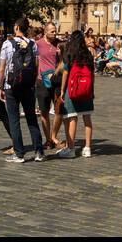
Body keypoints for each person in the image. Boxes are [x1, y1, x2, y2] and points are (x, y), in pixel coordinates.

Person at [0, 17, 45, 163]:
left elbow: (2, 68)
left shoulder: (7, 43)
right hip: (28, 85)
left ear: (17, 27)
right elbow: (37, 65)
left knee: (14, 120)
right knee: (32, 118)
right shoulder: (33, 44)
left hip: (11, 85)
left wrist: (0, 86)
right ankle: (39, 152)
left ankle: (19, 153)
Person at [58, 28, 97, 157]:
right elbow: (92, 74)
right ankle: (87, 148)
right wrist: (91, 89)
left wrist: (63, 90)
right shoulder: (88, 54)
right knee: (87, 118)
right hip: (86, 90)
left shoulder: (69, 53)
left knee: (72, 118)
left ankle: (71, 149)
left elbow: (65, 72)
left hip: (73, 90)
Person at [34, 21, 62, 147]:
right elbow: (35, 61)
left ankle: (54, 135)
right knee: (44, 112)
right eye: (52, 31)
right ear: (45, 31)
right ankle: (48, 139)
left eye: (55, 31)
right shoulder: (38, 44)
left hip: (56, 81)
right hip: (42, 81)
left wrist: (56, 71)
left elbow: (64, 62)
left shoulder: (60, 44)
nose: (55, 33)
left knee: (59, 110)